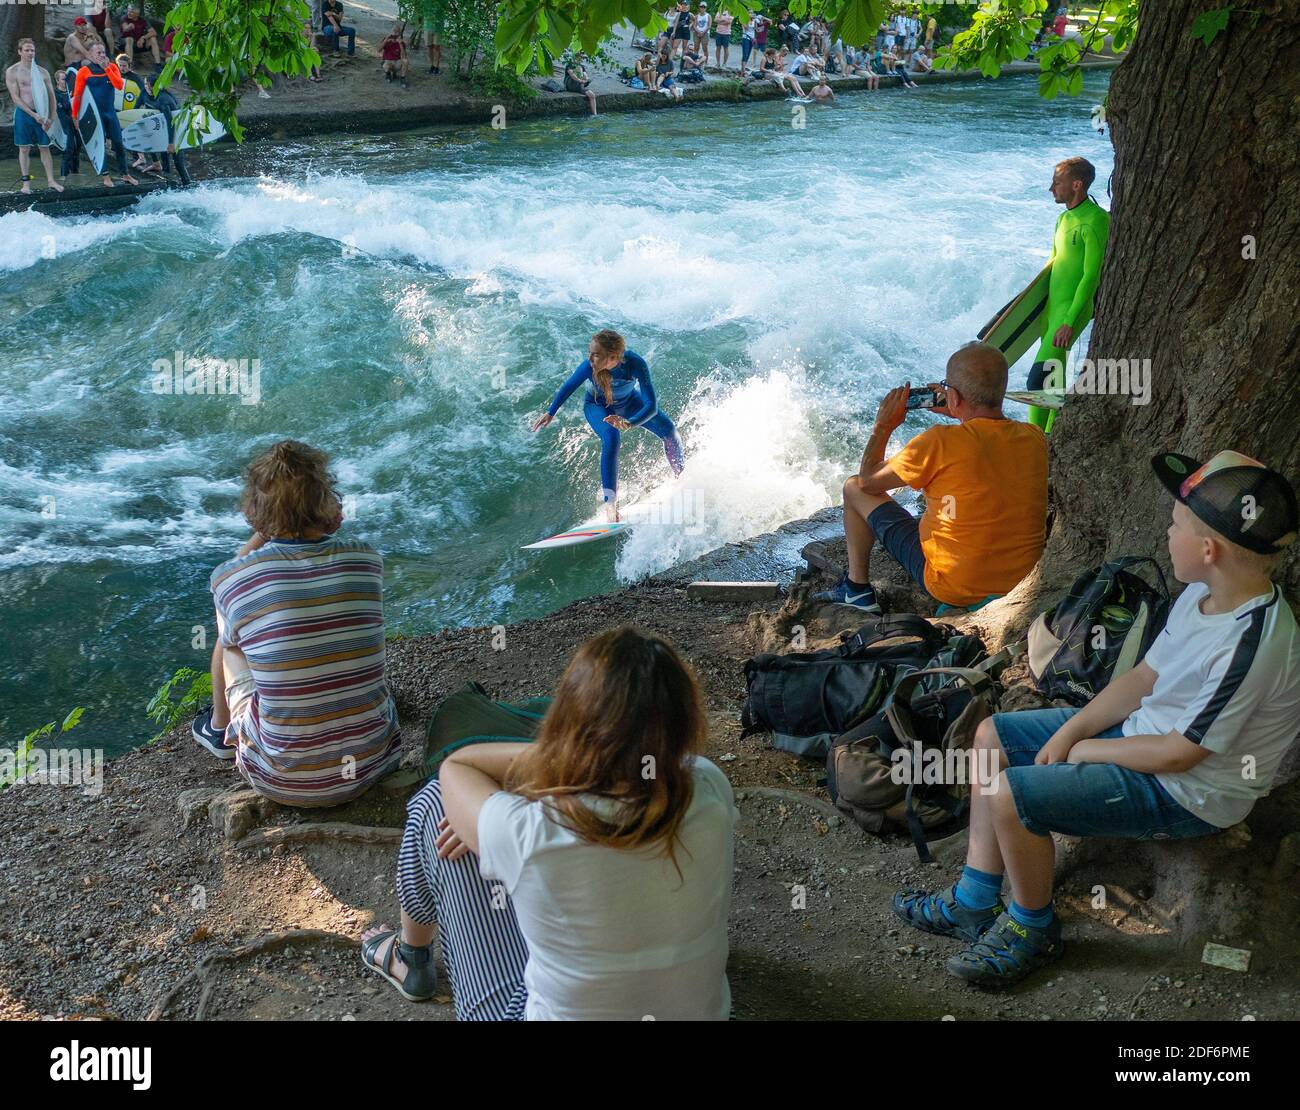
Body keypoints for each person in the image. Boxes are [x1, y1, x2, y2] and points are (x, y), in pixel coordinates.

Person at [894, 450, 1300, 986]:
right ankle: (974, 899)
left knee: (1011, 795)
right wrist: (1072, 729)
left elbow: (1183, 752)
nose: (1166, 531)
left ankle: (1031, 929)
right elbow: (1142, 680)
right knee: (991, 735)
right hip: (1144, 741)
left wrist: (1084, 750)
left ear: (1209, 549)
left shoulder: (1253, 642)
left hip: (1190, 790)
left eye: (1176, 524)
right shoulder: (1202, 594)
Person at [360, 627, 737, 1019]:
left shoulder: (534, 830)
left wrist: (573, 759)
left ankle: (409, 956)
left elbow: (457, 765)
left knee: (436, 804)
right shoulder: (710, 788)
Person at [193, 440, 402, 807]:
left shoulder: (233, 578)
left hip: (283, 779)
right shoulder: (367, 560)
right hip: (374, 763)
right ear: (328, 502)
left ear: (253, 511)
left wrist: (265, 529)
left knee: (230, 638)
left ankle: (220, 729)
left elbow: (234, 582)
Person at [814, 341, 1047, 615]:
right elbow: (986, 443)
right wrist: (959, 409)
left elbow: (868, 481)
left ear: (954, 397)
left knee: (853, 487)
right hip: (1021, 583)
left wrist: (883, 425)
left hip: (954, 586)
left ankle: (856, 590)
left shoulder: (938, 442)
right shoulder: (1034, 438)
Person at [532, 330, 685, 522]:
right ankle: (610, 505)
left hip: (629, 403)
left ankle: (681, 476)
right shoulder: (589, 366)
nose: (590, 358)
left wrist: (630, 422)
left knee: (669, 431)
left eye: (596, 354)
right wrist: (550, 412)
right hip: (596, 406)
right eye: (591, 352)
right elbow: (569, 386)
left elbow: (651, 406)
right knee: (612, 437)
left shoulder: (635, 363)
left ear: (612, 358)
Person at [1026, 156, 1110, 433]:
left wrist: (1070, 320)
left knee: (1039, 379)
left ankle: (1036, 438)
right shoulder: (1063, 219)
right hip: (1051, 312)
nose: (1052, 189)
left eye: (1057, 183)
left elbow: (1092, 275)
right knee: (1053, 379)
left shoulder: (1097, 220)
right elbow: (1052, 267)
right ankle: (1047, 438)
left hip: (1070, 311)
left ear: (1076, 184)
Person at [71, 42, 138, 187]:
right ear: (90, 55)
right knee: (100, 144)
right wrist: (75, 116)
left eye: (103, 52)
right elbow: (77, 95)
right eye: (98, 53)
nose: (102, 55)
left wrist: (107, 68)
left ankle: (125, 174)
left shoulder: (112, 67)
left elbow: (119, 85)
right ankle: (105, 176)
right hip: (96, 115)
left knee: (119, 143)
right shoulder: (84, 71)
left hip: (110, 112)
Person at [6, 40, 64, 195]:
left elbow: (52, 97)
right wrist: (34, 115)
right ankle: (26, 184)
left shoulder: (42, 72)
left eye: (32, 50)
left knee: (44, 148)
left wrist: (50, 118)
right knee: (24, 148)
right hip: (24, 114)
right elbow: (16, 98)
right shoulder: (12, 71)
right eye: (27, 50)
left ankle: (51, 181)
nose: (31, 53)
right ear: (20, 52)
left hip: (42, 113)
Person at [423, 0, 445, 74]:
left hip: (438, 27)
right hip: (427, 26)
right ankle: (432, 66)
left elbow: (447, 8)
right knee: (429, 47)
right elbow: (420, 9)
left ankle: (436, 67)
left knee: (436, 47)